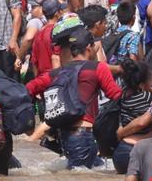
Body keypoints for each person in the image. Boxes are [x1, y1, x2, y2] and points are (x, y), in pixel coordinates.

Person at [26, 30, 123, 170]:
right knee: (83, 180)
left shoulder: (56, 73)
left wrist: (28, 124)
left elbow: (28, 89)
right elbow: (116, 95)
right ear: (89, 47)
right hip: (84, 135)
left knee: (89, 172)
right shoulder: (98, 68)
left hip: (65, 137)